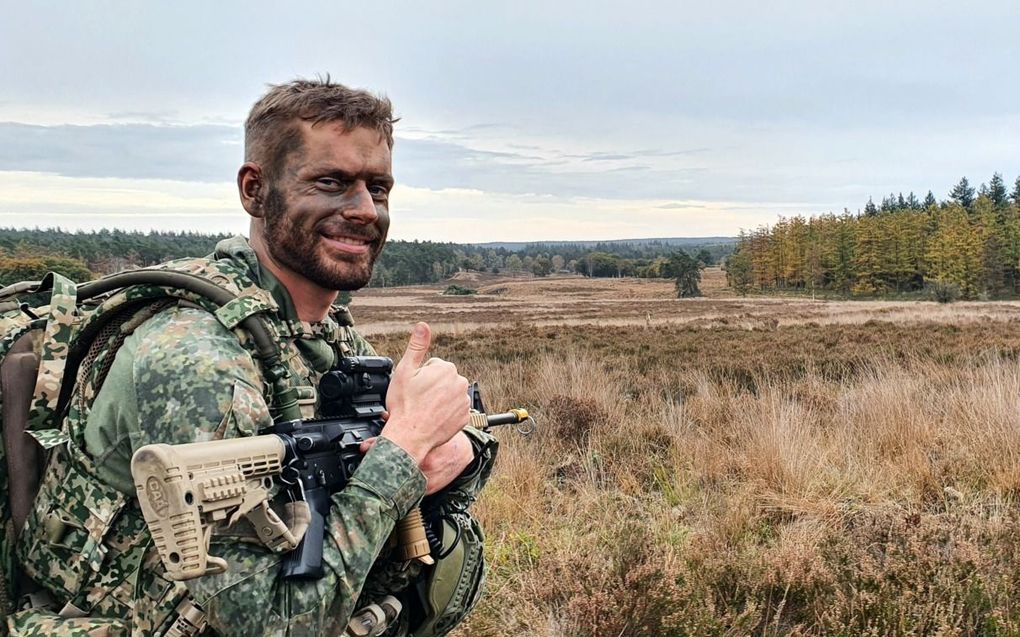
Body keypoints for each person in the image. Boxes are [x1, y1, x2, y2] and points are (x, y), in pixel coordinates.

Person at [12, 79, 497, 637]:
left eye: (378, 188)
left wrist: (459, 448)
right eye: (331, 182)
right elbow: (269, 624)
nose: (364, 210)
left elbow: (418, 439)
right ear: (254, 190)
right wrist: (403, 454)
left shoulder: (312, 328)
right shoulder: (195, 360)